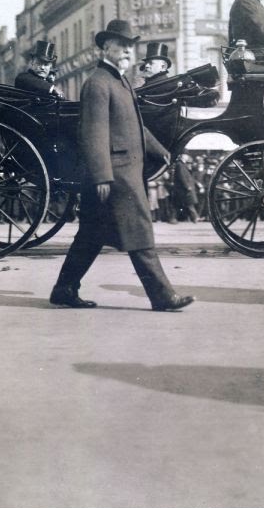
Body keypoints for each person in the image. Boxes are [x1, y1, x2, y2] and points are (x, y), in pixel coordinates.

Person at [48, 19, 194, 311]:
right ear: (105, 47)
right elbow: (94, 132)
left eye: (131, 46)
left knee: (90, 236)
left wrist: (160, 150)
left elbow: (137, 126)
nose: (128, 51)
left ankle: (64, 289)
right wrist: (102, 175)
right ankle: (162, 295)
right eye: (122, 45)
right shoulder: (98, 83)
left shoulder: (121, 81)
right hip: (115, 173)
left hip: (121, 170)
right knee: (138, 231)